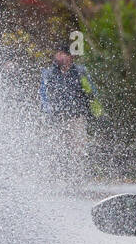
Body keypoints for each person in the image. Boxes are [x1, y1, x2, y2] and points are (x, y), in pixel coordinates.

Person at [39, 50, 102, 185]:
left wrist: (96, 112)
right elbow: (43, 94)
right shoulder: (48, 73)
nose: (60, 56)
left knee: (78, 149)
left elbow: (91, 91)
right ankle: (59, 177)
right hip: (57, 117)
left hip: (77, 116)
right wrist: (46, 111)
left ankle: (77, 178)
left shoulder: (80, 71)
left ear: (70, 57)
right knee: (58, 147)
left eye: (63, 54)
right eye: (58, 54)